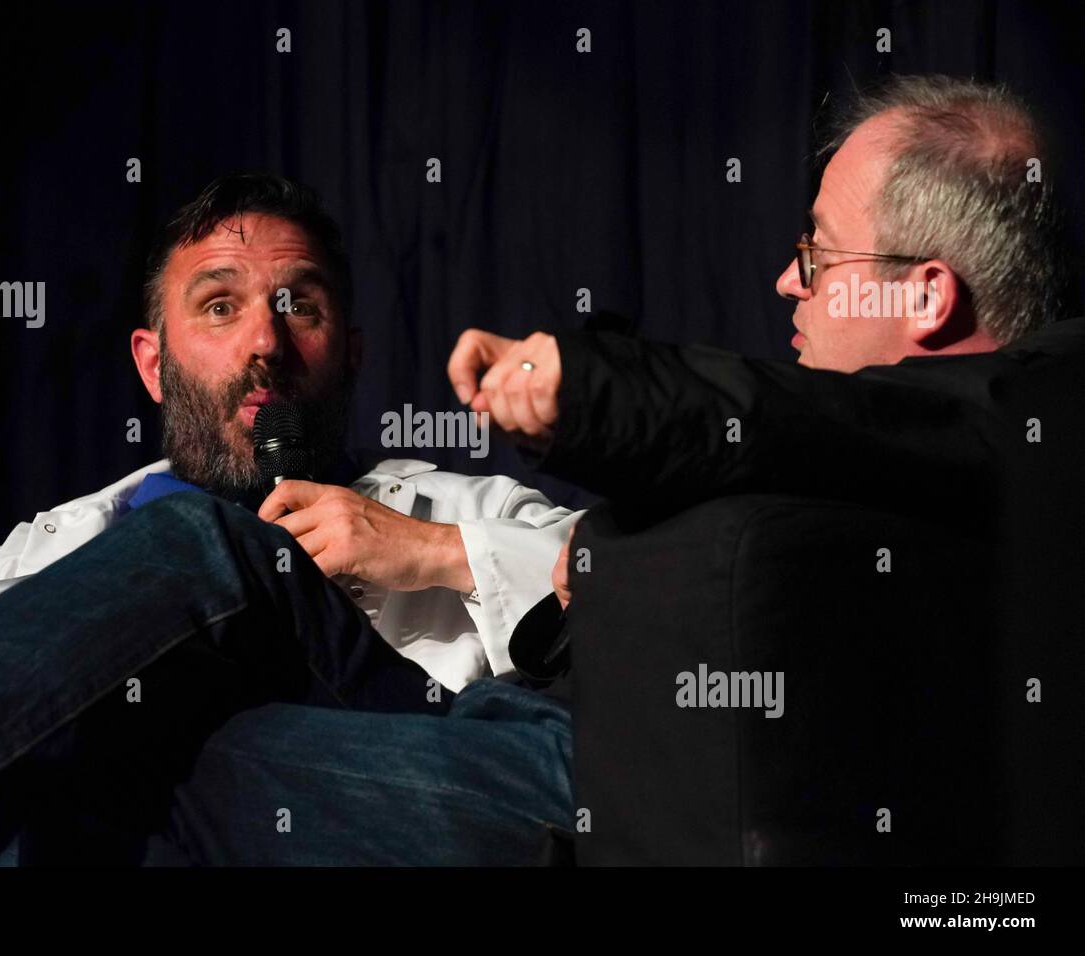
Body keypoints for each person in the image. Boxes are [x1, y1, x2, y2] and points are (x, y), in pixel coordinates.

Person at [0, 172, 581, 866]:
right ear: (152, 363)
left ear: (353, 354)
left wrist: (435, 549)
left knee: (194, 548)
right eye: (220, 306)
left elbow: (633, 621)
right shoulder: (58, 539)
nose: (265, 341)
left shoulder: (465, 507)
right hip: (155, 826)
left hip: (377, 783)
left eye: (298, 305)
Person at [449, 75, 1083, 863]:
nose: (790, 280)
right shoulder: (866, 444)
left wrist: (584, 388)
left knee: (250, 752)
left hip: (568, 770)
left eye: (817, 251)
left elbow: (799, 416)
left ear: (926, 296)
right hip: (521, 712)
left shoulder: (1031, 412)